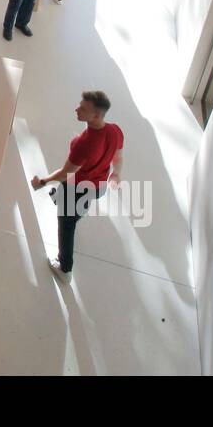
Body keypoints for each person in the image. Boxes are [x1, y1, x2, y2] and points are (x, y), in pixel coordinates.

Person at [30, 91, 123, 283]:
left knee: (66, 224)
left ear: (96, 115)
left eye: (83, 108)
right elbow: (118, 156)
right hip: (99, 185)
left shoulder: (83, 145)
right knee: (74, 200)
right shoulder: (115, 130)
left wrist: (42, 182)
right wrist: (116, 173)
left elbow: (65, 173)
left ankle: (65, 269)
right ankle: (66, 202)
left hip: (78, 188)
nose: (76, 109)